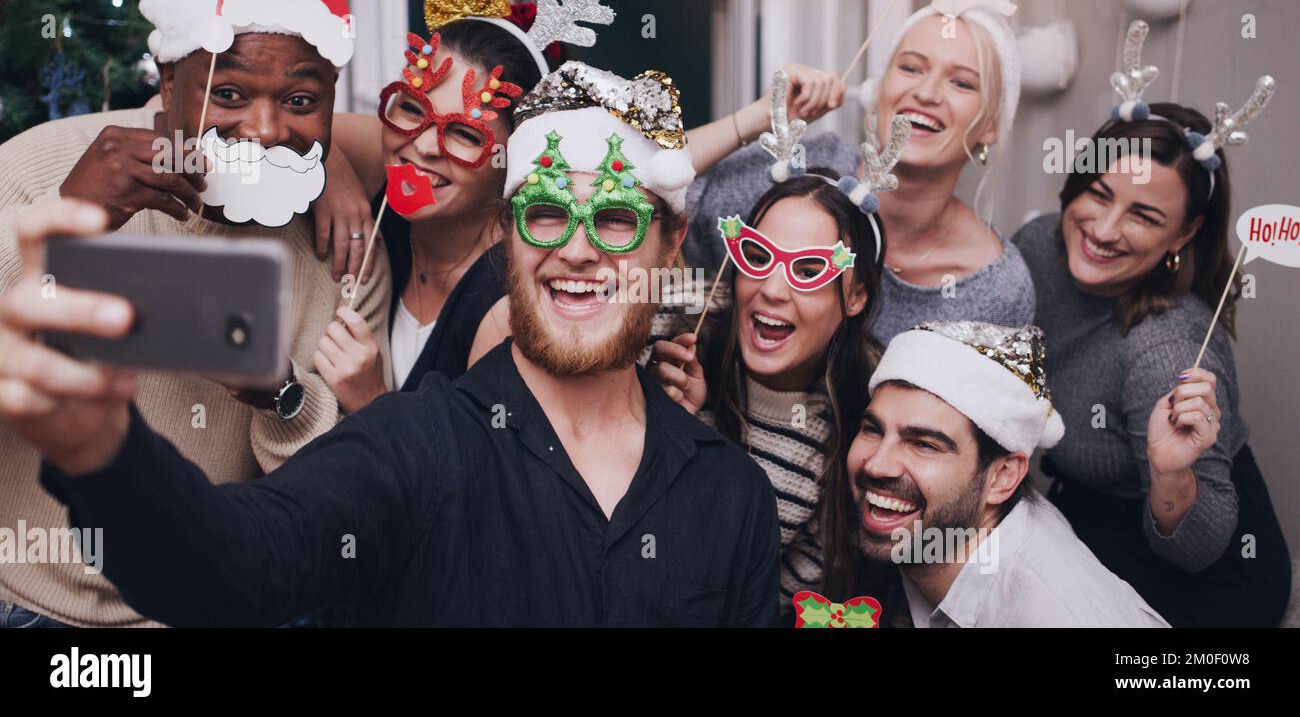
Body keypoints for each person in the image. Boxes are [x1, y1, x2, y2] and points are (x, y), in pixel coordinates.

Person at [0, 61, 781, 628]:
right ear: (508, 238)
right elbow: (231, 567)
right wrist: (105, 449)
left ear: (670, 242)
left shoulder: (729, 494)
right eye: (546, 215)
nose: (577, 250)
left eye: (615, 220)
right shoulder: (412, 446)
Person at [0, 0, 389, 628]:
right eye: (229, 94)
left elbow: (325, 504)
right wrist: (60, 224)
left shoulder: (345, 250)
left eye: (301, 101)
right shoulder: (41, 166)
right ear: (170, 80)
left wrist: (282, 394)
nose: (265, 131)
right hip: (23, 604)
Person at [1012, 100, 1291, 627]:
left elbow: (1197, 548)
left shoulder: (1167, 349)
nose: (1104, 229)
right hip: (1084, 511)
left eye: (1144, 215)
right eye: (1099, 194)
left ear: (1184, 234)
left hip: (1201, 572)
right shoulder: (1038, 245)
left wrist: (1170, 472)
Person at [318, 0, 618, 410]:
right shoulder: (386, 174)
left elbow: (481, 477)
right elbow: (282, 129)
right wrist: (331, 174)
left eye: (464, 134)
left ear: (514, 161)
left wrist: (372, 402)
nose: (420, 146)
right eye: (412, 108)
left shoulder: (510, 307)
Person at [685, 0, 1036, 343]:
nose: (926, 93)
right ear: (878, 91)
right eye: (911, 68)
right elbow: (639, 181)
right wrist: (759, 115)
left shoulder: (999, 289)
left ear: (992, 125)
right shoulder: (801, 168)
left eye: (962, 83)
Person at [651, 161, 885, 615]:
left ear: (856, 297)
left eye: (810, 269)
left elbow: (742, 602)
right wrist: (645, 414)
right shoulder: (666, 317)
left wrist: (690, 445)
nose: (774, 290)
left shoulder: (856, 437)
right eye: (758, 257)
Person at [825, 321, 1169, 627]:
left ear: (1002, 476)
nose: (877, 465)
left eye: (924, 444)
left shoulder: (1060, 615)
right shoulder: (938, 538)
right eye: (872, 430)